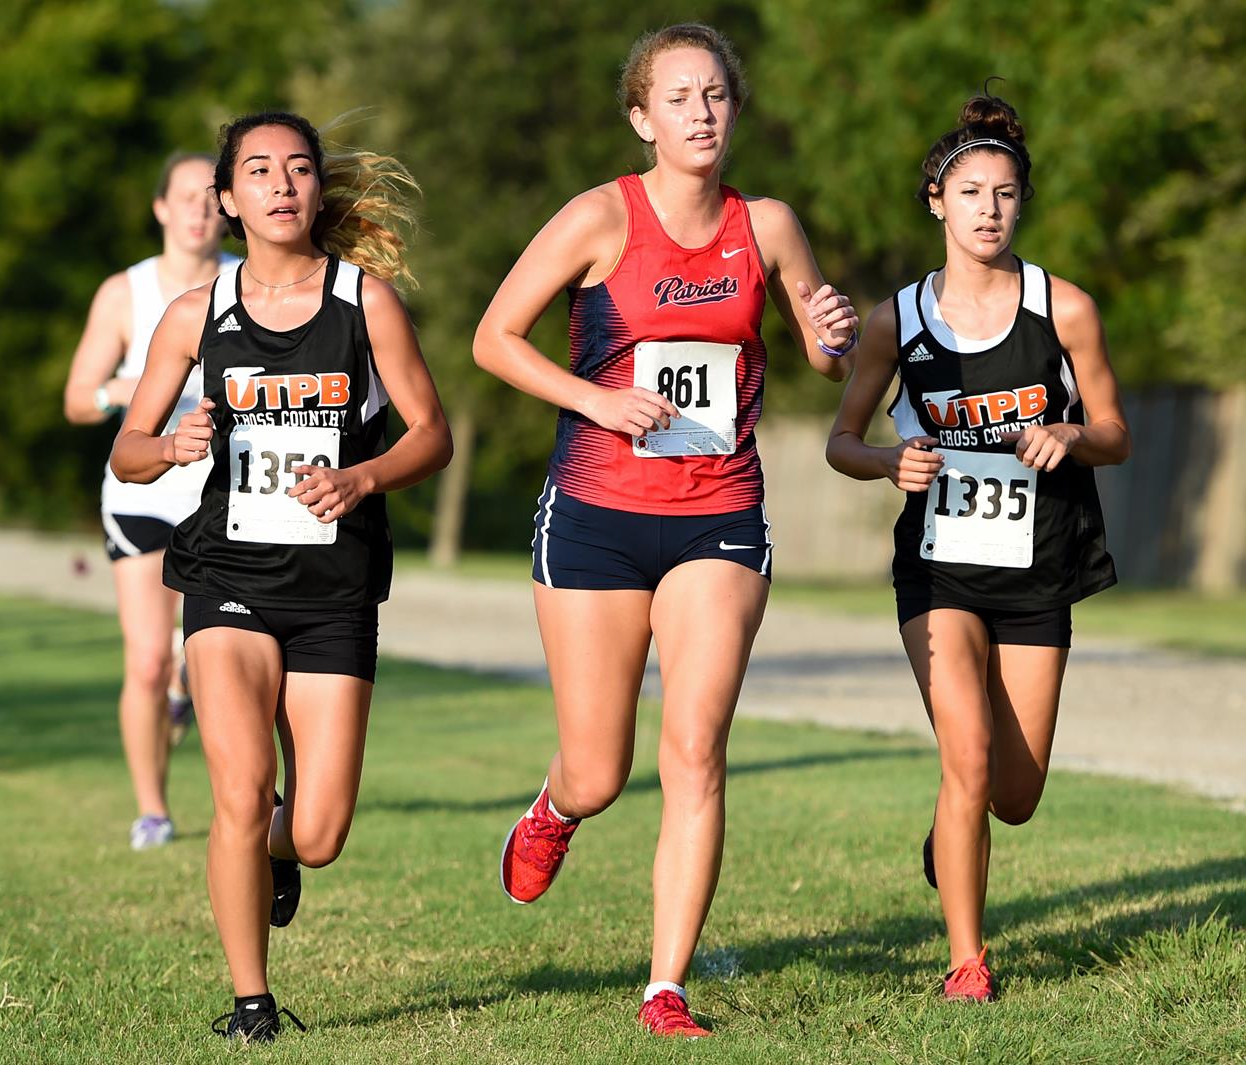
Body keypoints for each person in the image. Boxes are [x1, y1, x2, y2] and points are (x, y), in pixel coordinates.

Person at [472, 23, 858, 1039]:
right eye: (677, 97)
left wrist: (832, 340)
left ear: (735, 110)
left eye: (715, 95)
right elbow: (493, 338)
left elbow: (823, 359)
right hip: (596, 521)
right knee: (601, 767)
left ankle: (665, 986)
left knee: (695, 749)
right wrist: (595, 404)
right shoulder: (599, 216)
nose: (699, 112)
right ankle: (555, 809)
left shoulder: (765, 224)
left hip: (718, 516)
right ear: (643, 118)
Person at [111, 112, 451, 1043]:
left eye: (298, 168)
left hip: (336, 589)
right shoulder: (197, 314)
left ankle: (276, 855)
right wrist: (169, 442)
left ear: (316, 190)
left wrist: (363, 476)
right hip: (225, 576)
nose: (281, 184)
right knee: (238, 785)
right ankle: (251, 1003)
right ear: (227, 199)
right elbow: (126, 451)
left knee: (318, 830)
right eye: (257, 170)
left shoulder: (364, 302)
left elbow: (432, 434)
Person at [825, 89, 1129, 1001]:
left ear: (1020, 203)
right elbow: (840, 440)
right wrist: (887, 462)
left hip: (1041, 563)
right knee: (964, 760)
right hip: (940, 570)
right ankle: (968, 962)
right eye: (970, 193)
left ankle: (953, 830)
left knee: (1013, 793)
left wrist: (1072, 435)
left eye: (1004, 194)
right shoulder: (898, 321)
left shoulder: (1062, 308)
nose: (988, 210)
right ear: (936, 200)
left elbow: (1115, 428)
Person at [63, 151, 236, 851]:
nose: (199, 209)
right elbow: (77, 398)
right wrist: (134, 389)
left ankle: (182, 694)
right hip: (141, 489)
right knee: (144, 658)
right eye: (185, 198)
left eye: (210, 198)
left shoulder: (249, 282)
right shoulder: (123, 293)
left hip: (227, 491)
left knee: (197, 660)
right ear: (161, 209)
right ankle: (153, 810)